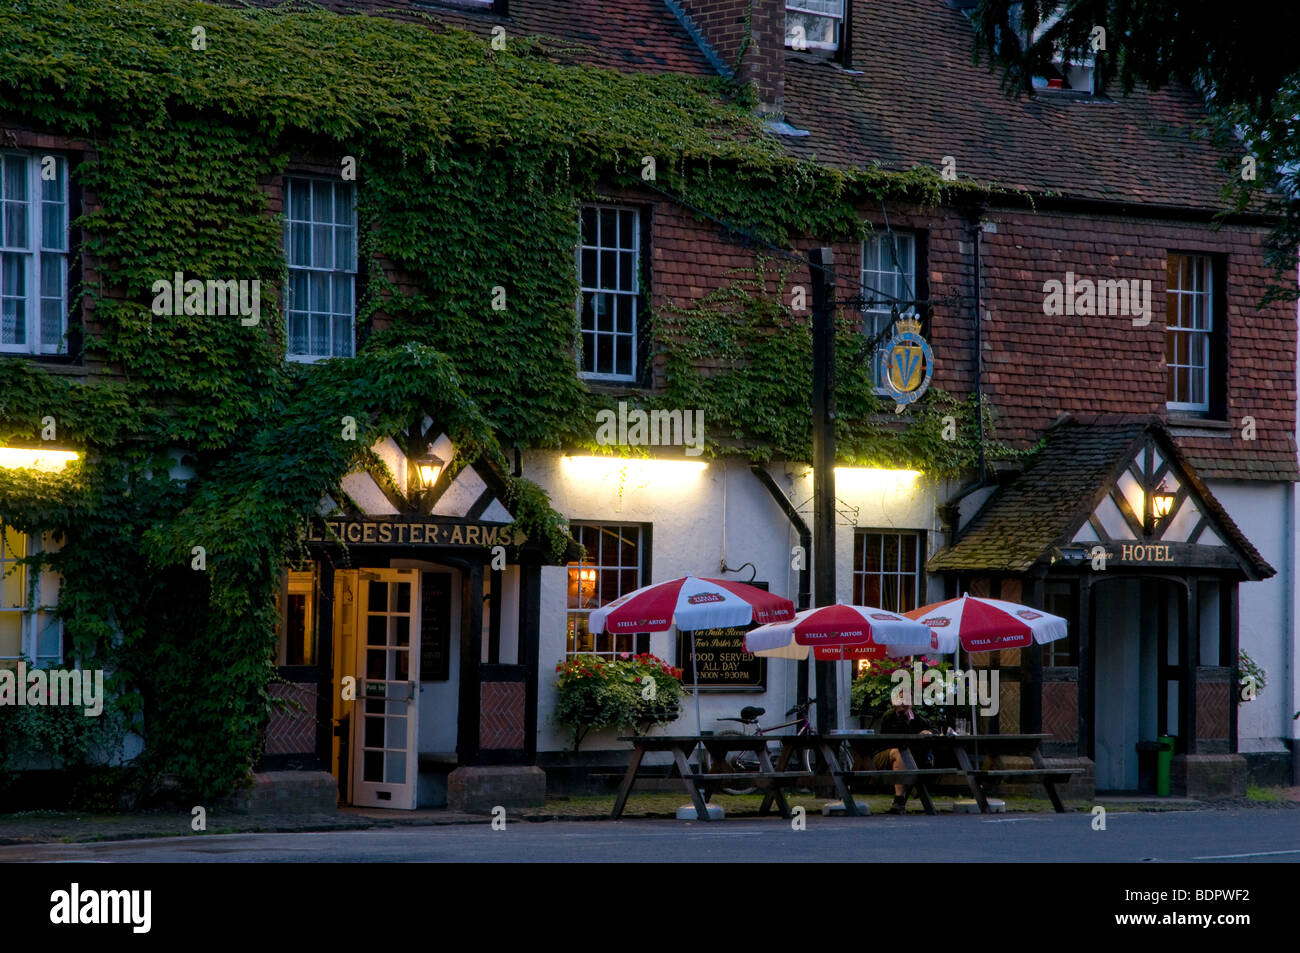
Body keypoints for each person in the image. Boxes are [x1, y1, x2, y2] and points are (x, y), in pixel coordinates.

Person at [873, 697, 932, 814]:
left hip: (908, 758)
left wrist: (929, 732)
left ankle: (899, 802)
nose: (905, 702)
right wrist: (901, 714)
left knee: (907, 758)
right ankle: (900, 798)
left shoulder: (915, 717)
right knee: (899, 752)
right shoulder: (889, 716)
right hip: (885, 755)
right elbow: (894, 738)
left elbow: (931, 727)